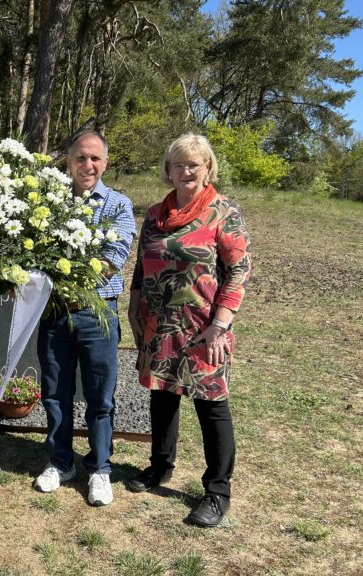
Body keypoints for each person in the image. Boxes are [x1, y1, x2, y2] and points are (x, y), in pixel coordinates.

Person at [126, 133, 251, 528]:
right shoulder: (155, 214)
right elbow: (143, 266)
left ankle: (217, 491)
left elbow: (239, 270)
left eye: (194, 164)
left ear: (207, 168)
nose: (186, 171)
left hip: (203, 330)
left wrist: (220, 325)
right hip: (158, 325)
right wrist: (133, 305)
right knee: (161, 397)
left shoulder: (222, 212)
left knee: (211, 406)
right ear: (168, 170)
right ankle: (160, 466)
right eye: (178, 164)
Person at [33, 130, 136, 506]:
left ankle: (99, 468)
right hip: (55, 314)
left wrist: (60, 276)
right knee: (55, 394)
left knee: (99, 396)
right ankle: (61, 463)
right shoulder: (48, 202)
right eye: (80, 158)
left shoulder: (118, 206)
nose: (87, 165)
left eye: (94, 158)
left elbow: (112, 258)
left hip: (97, 314)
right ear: (68, 160)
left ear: (105, 163)